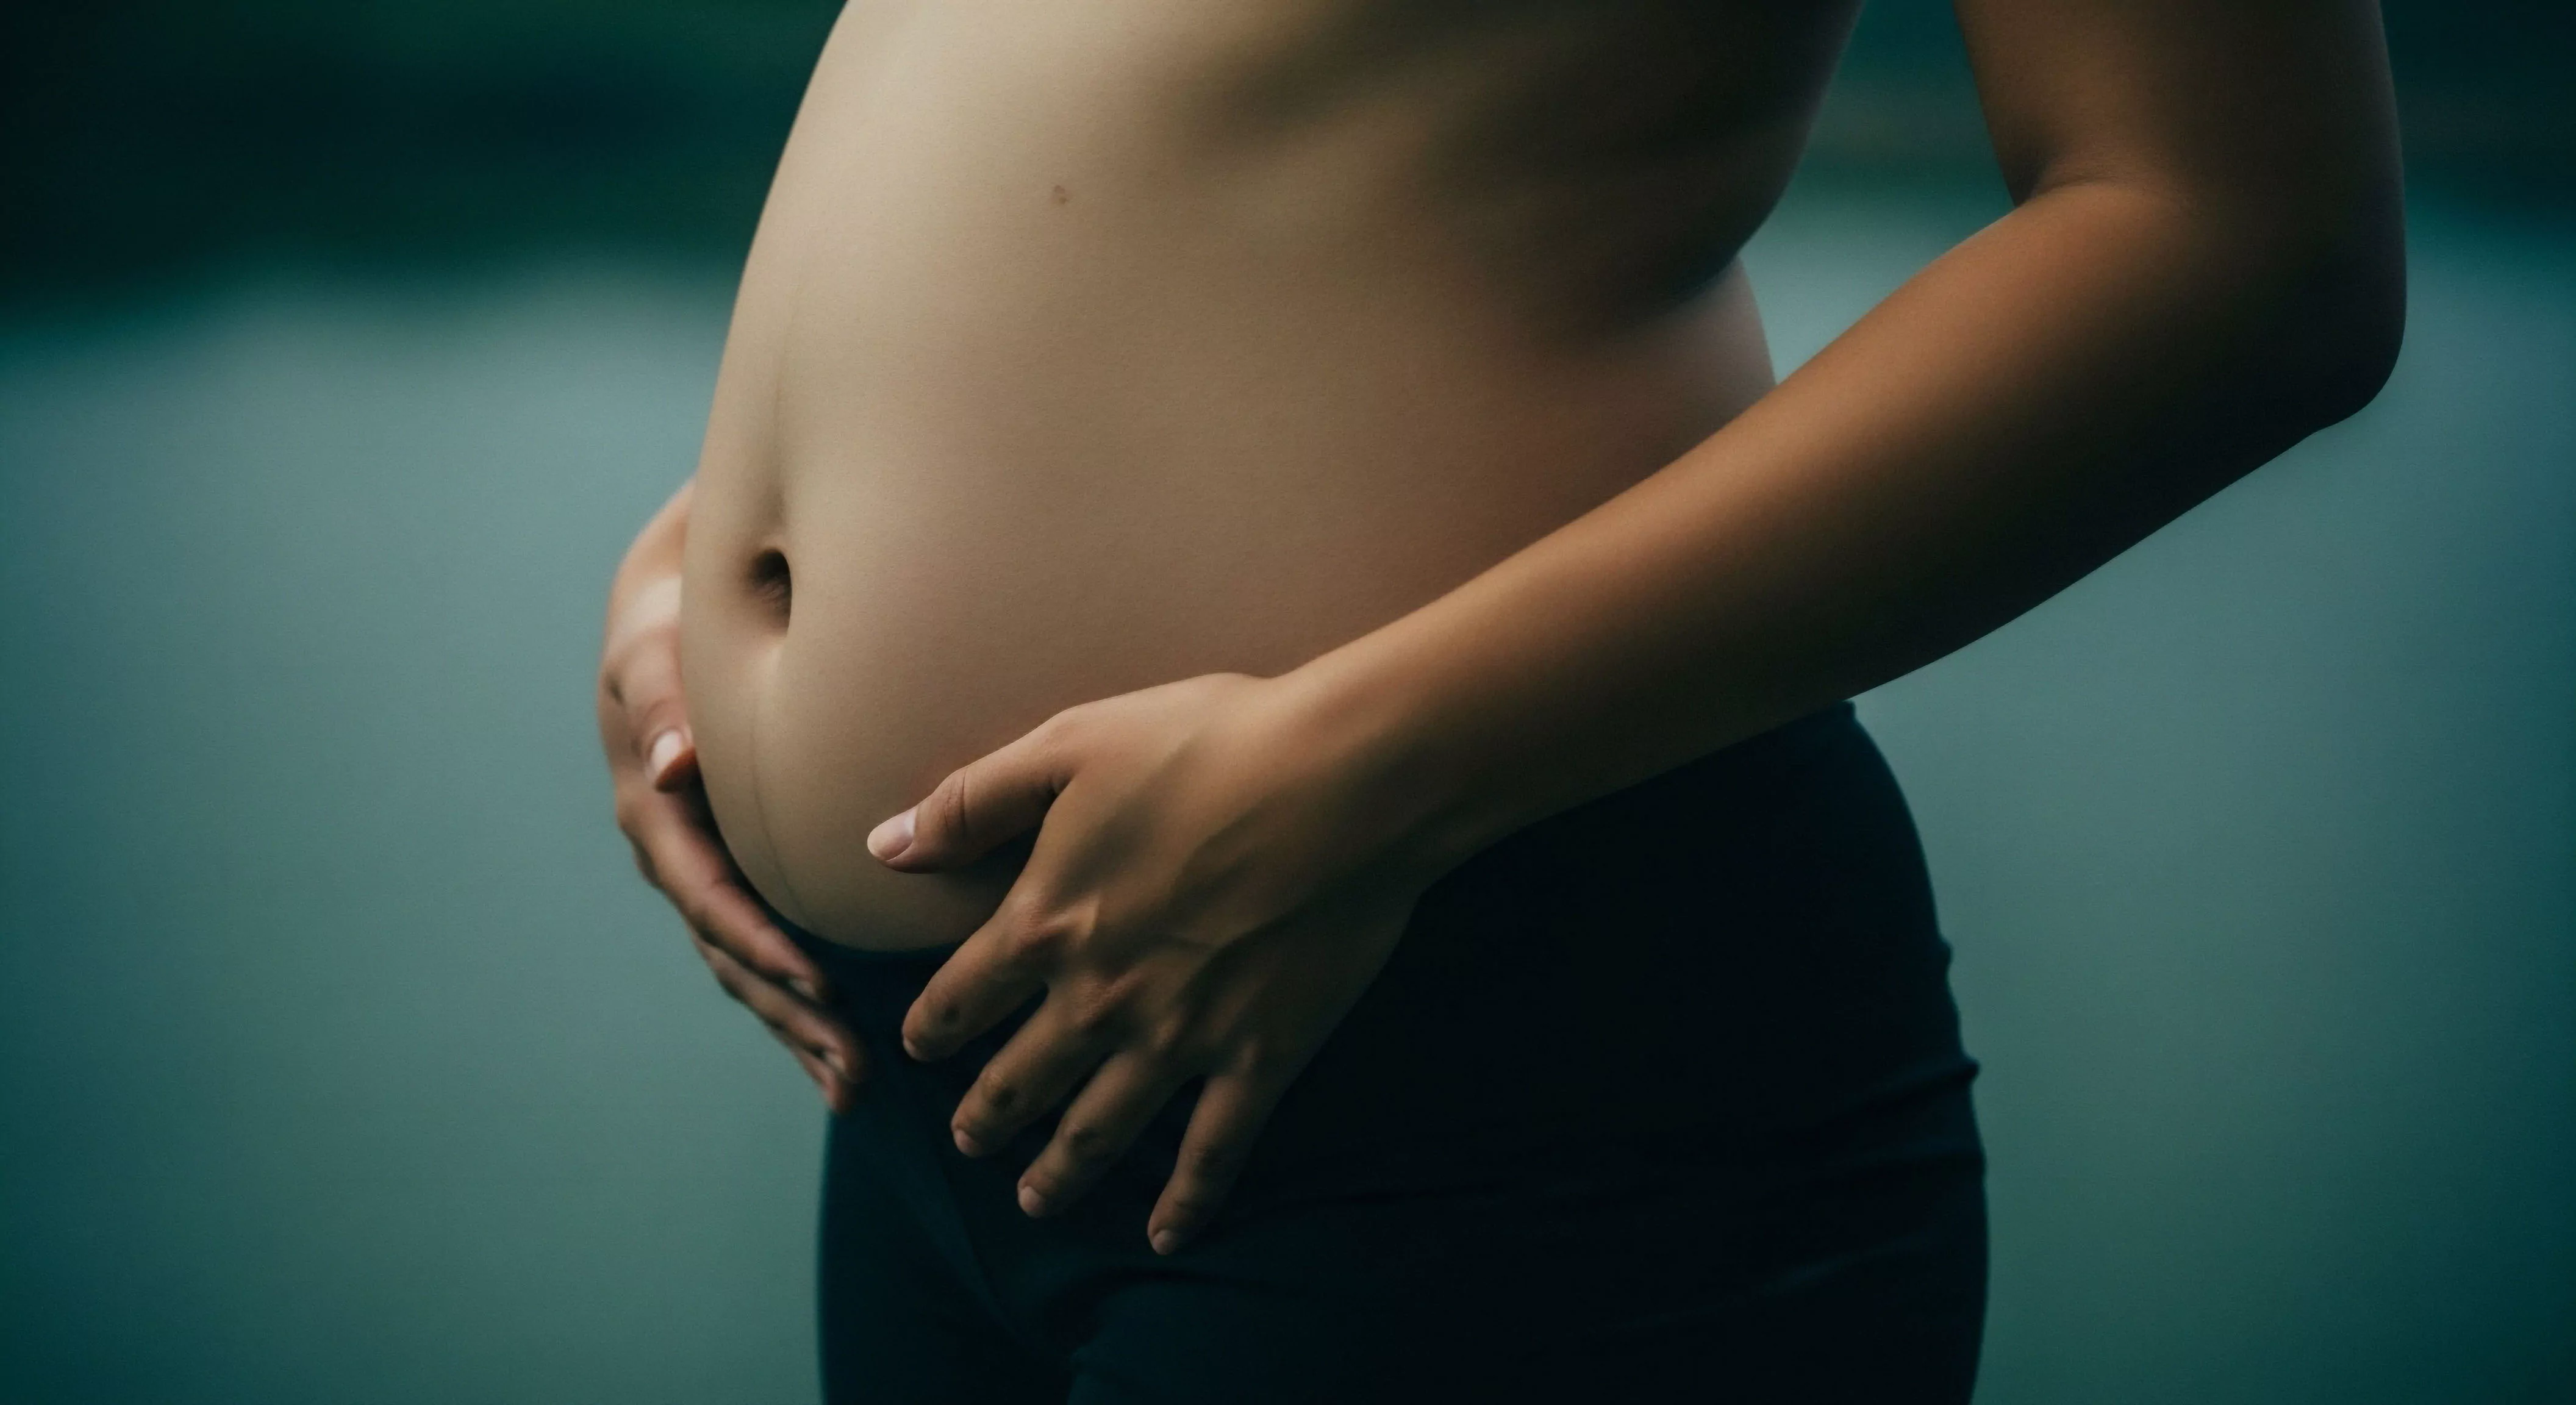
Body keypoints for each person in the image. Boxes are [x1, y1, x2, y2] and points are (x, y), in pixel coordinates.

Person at [596, 1, 2403, 1399]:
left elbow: (2246, 235)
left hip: (1502, 1072)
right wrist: (715, 555)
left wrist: (1370, 773)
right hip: (953, 1091)